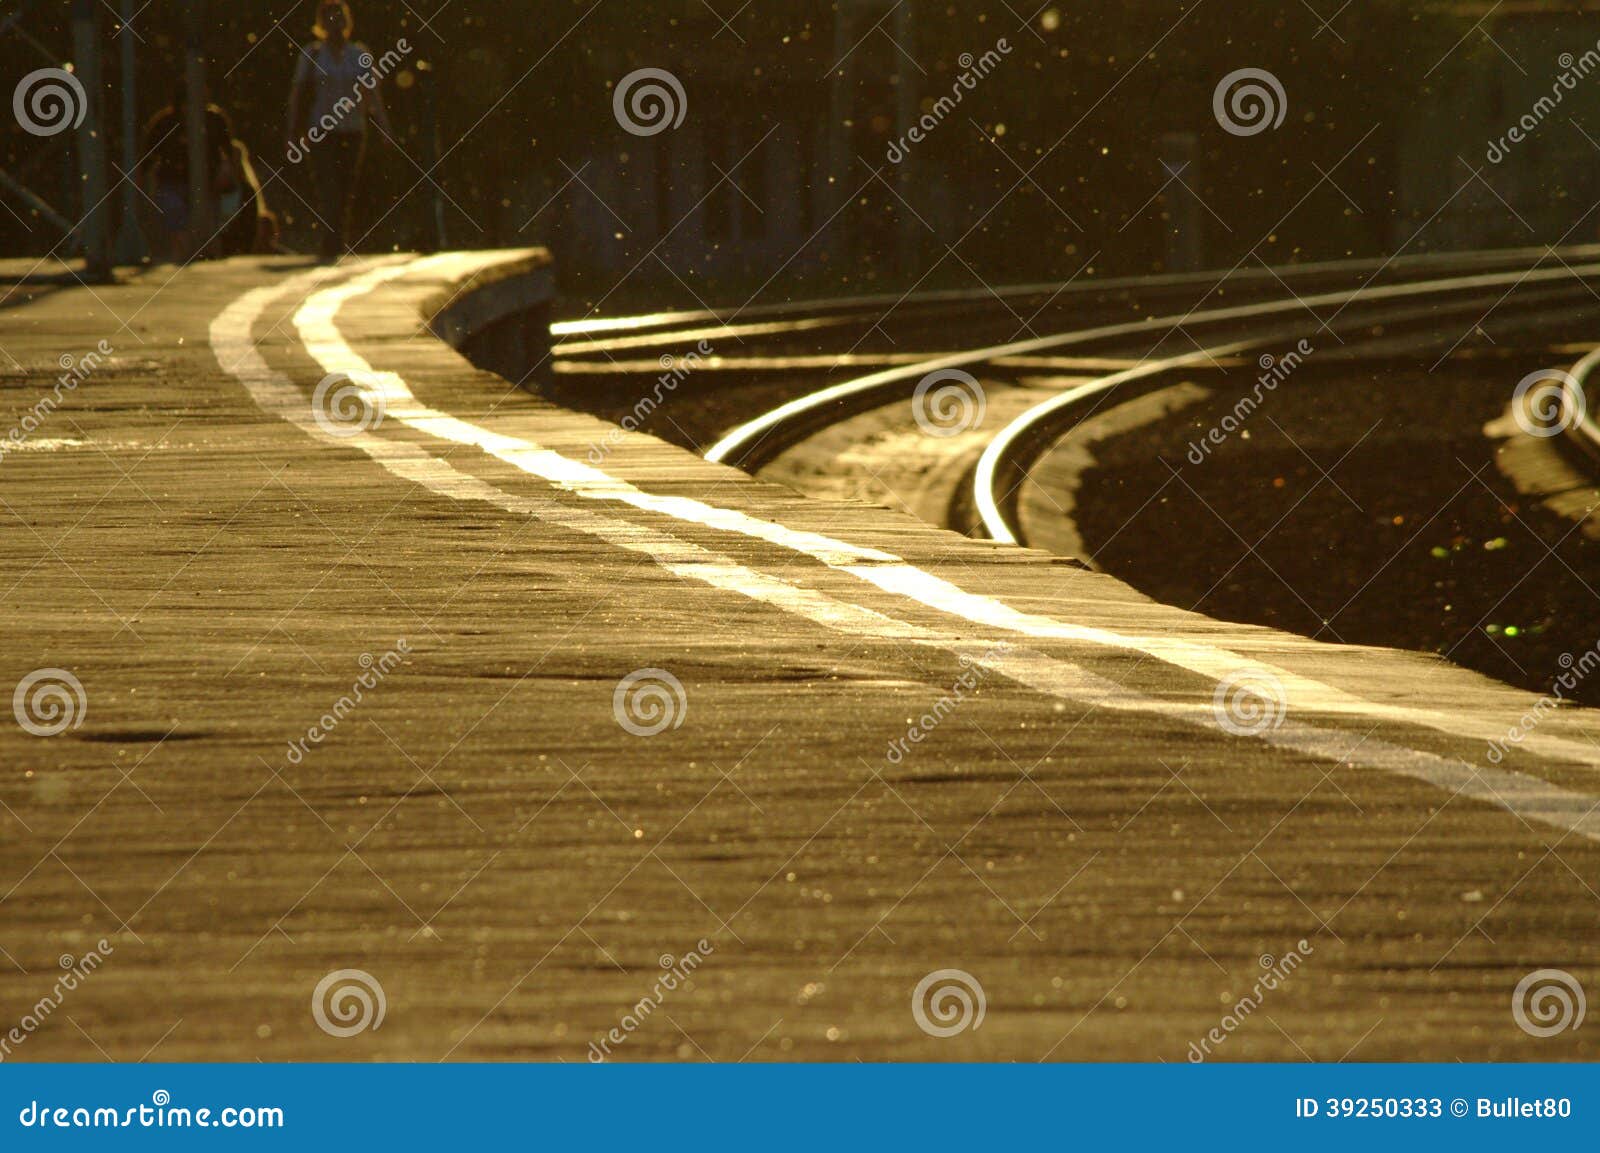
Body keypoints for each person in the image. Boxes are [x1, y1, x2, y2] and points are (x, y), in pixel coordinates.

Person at [285, 1, 394, 262]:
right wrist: (291, 132)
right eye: (331, 19)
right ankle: (330, 240)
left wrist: (384, 127)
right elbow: (297, 95)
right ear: (321, 24)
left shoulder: (359, 54)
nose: (336, 25)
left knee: (346, 186)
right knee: (327, 185)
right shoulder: (312, 55)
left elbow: (372, 95)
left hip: (353, 129)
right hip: (321, 130)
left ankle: (338, 238)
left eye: (340, 18)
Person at [137, 84, 236, 262]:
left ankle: (204, 253)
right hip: (172, 180)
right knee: (176, 216)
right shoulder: (165, 123)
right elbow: (149, 155)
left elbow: (229, 151)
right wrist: (140, 178)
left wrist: (226, 171)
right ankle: (184, 254)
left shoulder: (213, 119)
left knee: (207, 219)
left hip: (207, 183)